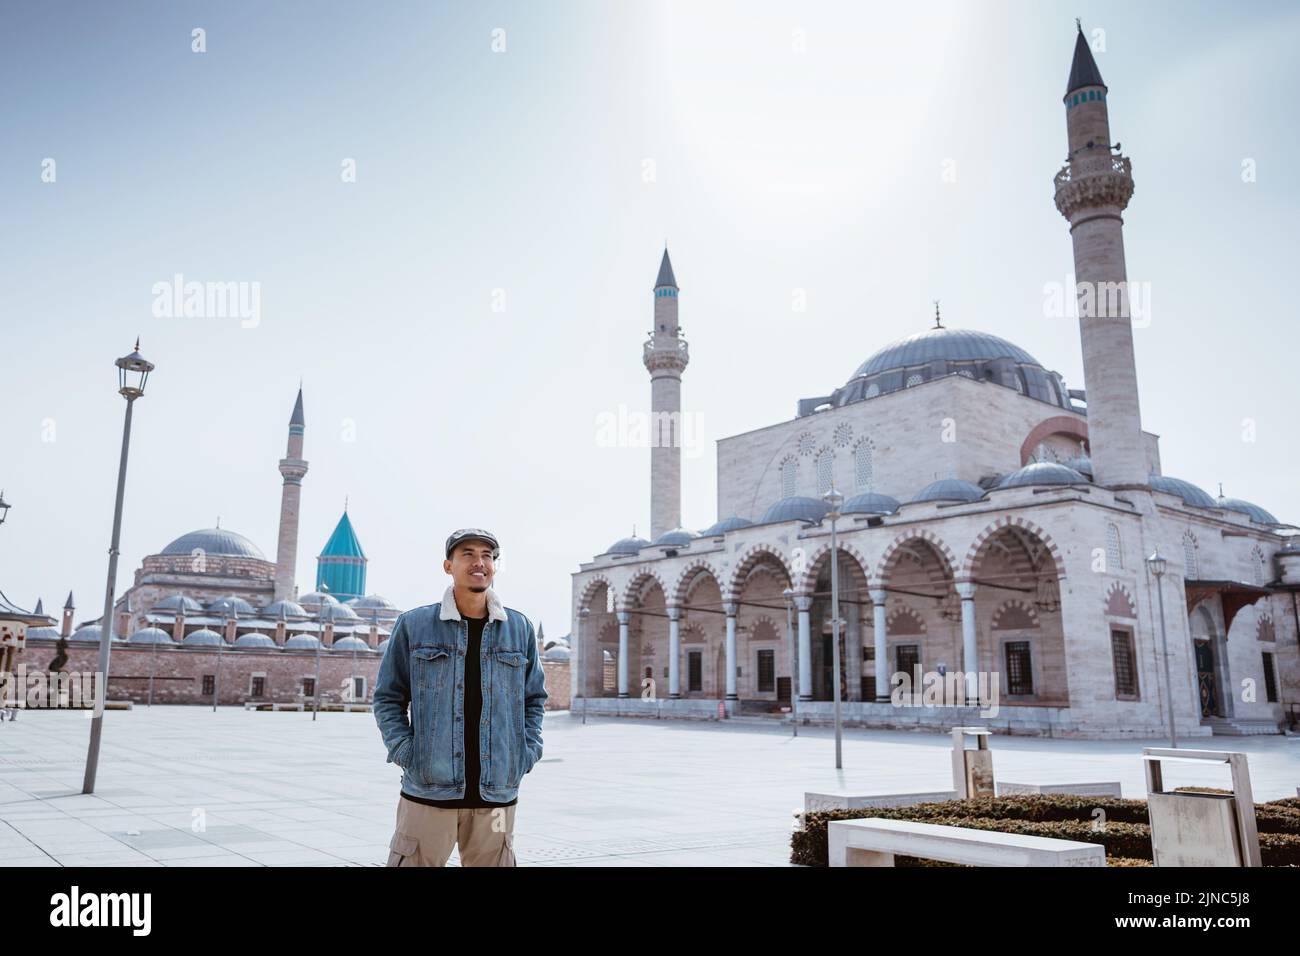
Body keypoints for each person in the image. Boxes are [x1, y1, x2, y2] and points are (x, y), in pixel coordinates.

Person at [373, 528, 547, 866]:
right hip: (428, 791)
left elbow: (534, 698)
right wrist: (405, 751)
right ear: (448, 565)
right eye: (467, 553)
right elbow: (387, 697)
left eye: (487, 555)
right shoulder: (415, 625)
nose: (479, 562)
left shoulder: (518, 628)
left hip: (496, 795)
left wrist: (526, 752)